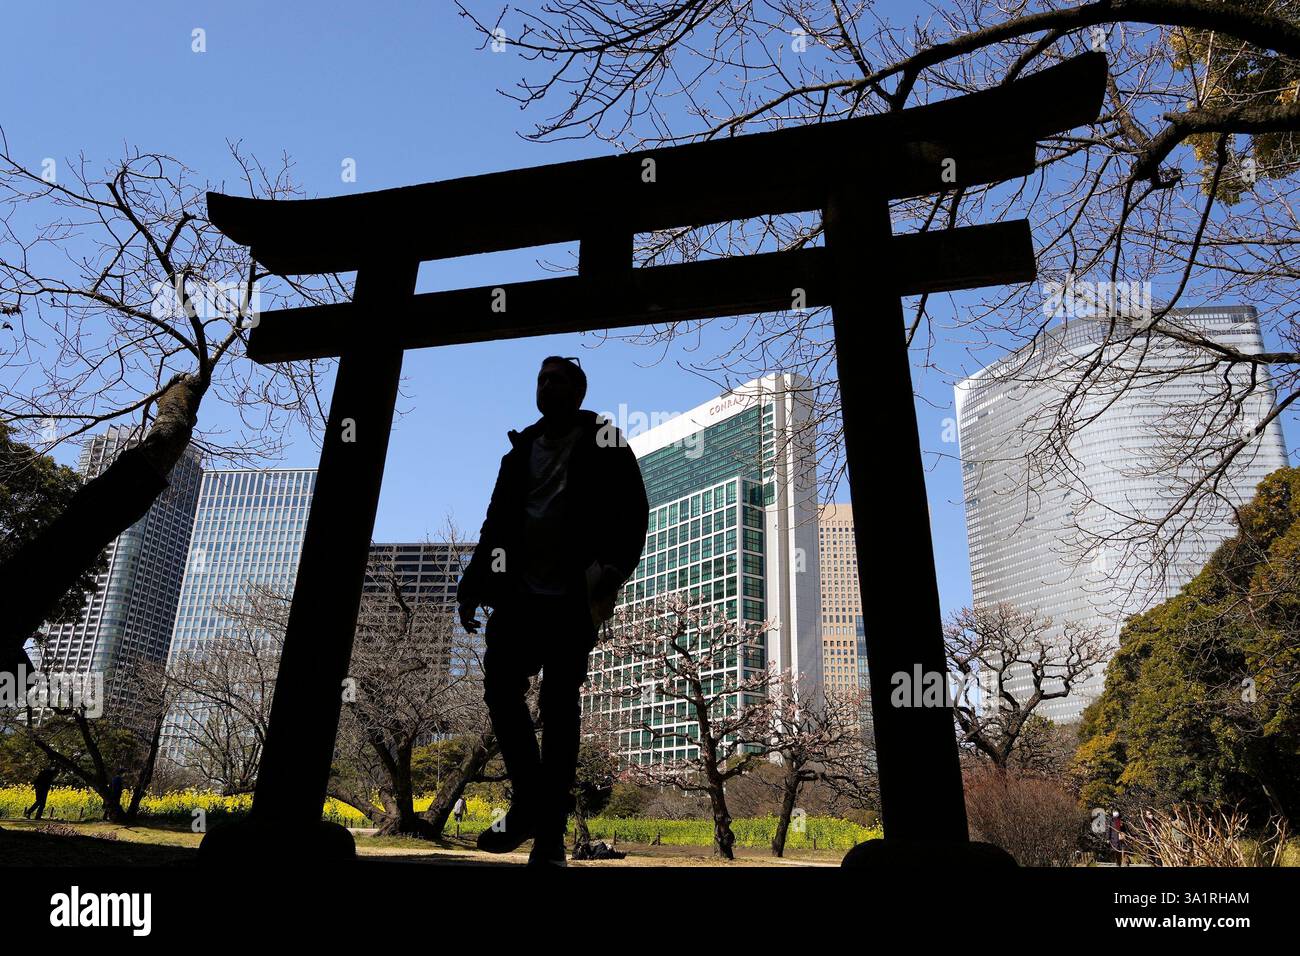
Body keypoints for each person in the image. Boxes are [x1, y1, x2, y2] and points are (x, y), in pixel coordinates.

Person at [458, 356, 648, 867]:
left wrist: (610, 569)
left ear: (578, 391)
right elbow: (494, 525)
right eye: (540, 379)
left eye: (556, 379)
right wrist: (472, 583)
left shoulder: (605, 440)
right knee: (500, 688)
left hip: (571, 597)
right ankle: (530, 800)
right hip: (517, 595)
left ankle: (549, 837)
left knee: (560, 704)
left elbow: (633, 511)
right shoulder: (517, 454)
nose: (545, 386)